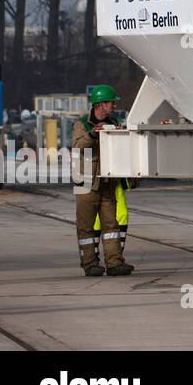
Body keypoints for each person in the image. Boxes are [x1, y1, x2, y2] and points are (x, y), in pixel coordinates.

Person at [72, 85, 133, 277]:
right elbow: (77, 146)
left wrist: (128, 176)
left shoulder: (115, 123)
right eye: (111, 102)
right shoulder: (82, 124)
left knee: (111, 226)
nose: (114, 105)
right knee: (86, 227)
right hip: (86, 183)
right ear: (100, 104)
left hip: (107, 182)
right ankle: (90, 264)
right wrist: (93, 134)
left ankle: (115, 263)